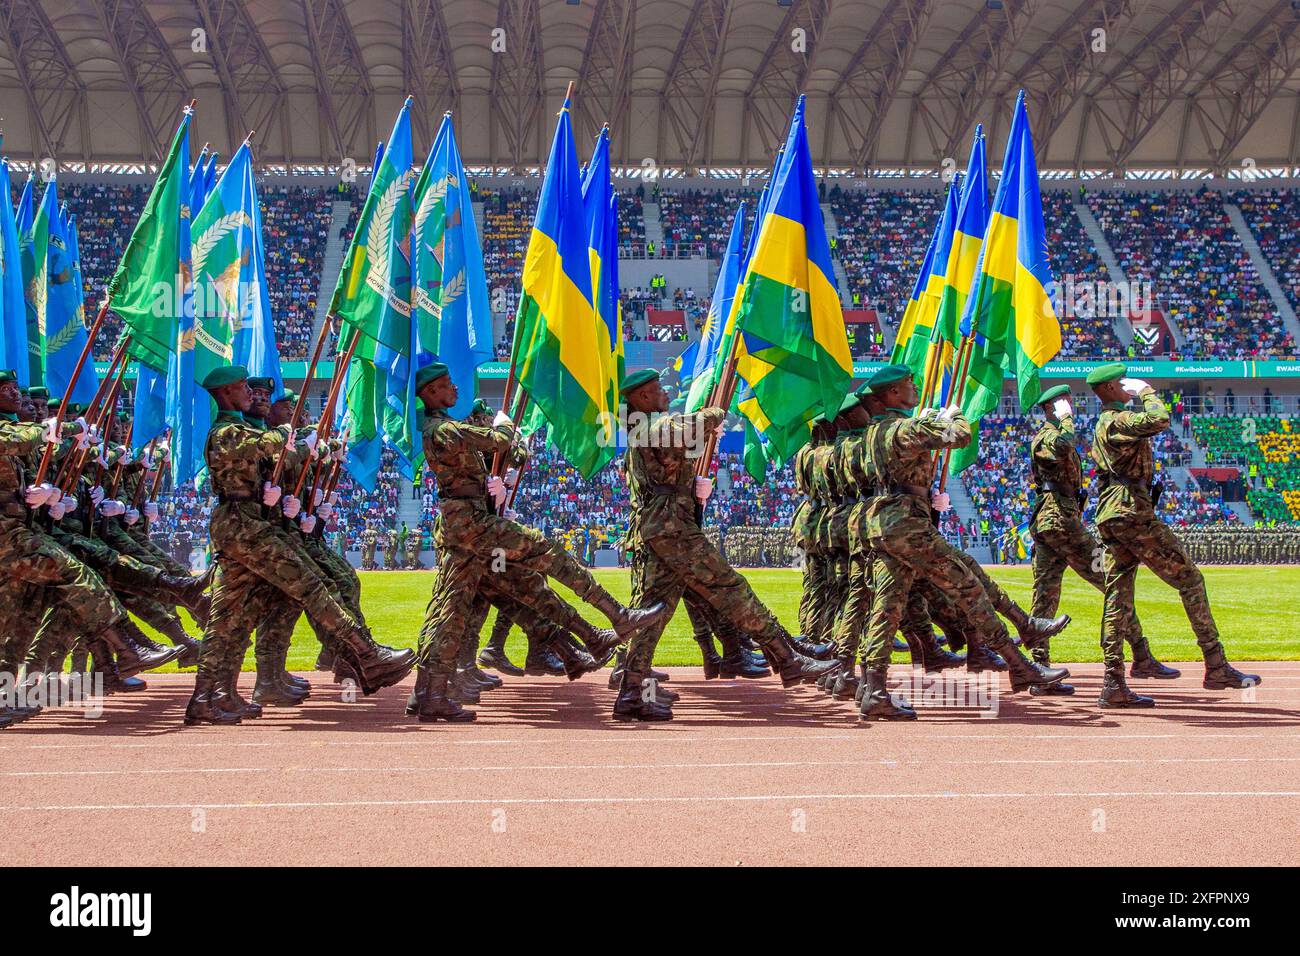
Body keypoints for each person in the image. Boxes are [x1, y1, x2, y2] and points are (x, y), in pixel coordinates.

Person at [410, 362, 668, 722]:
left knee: (452, 612)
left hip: (469, 524)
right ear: (431, 393)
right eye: (447, 385)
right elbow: (498, 441)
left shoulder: (444, 428)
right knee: (546, 552)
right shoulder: (442, 430)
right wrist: (503, 426)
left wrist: (497, 477)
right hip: (471, 526)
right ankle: (615, 617)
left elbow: (500, 453)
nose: (455, 388)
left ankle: (428, 694)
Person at [183, 365, 413, 726]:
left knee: (231, 619)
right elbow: (264, 447)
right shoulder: (227, 432)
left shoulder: (239, 429)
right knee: (309, 585)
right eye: (244, 387)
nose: (251, 393)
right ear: (227, 392)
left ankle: (212, 696)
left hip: (251, 523)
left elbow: (277, 458)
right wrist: (292, 436)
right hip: (243, 526)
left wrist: (302, 450)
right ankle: (365, 654)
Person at [617, 368, 836, 722]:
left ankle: (631, 693)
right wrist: (714, 413)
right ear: (640, 398)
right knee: (733, 588)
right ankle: (788, 659)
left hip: (665, 528)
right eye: (658, 390)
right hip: (672, 530)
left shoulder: (647, 428)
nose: (665, 394)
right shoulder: (648, 426)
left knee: (653, 613)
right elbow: (688, 428)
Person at [860, 365, 1069, 721]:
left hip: (885, 523)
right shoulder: (901, 428)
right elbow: (959, 436)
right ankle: (1020, 664)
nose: (915, 388)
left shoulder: (873, 433)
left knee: (888, 606)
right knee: (970, 587)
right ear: (893, 394)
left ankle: (874, 689)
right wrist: (953, 415)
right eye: (908, 385)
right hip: (909, 524)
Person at [1086, 363, 1260, 708]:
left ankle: (1114, 683)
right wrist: (1148, 392)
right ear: (1106, 390)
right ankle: (1215, 664)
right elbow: (1160, 419)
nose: (1126, 388)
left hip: (1114, 513)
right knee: (1190, 580)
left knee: (1117, 598)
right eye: (1120, 384)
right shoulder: (1117, 420)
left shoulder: (1104, 423)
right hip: (1131, 512)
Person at [1028, 384, 1178, 692]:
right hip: (1060, 524)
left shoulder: (1051, 436)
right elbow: (1065, 444)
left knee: (1045, 595)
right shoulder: (1046, 437)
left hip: (1056, 523)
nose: (1069, 405)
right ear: (1049, 409)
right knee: (1112, 584)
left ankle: (1038, 670)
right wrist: (1066, 419)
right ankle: (1140, 653)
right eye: (1062, 403)